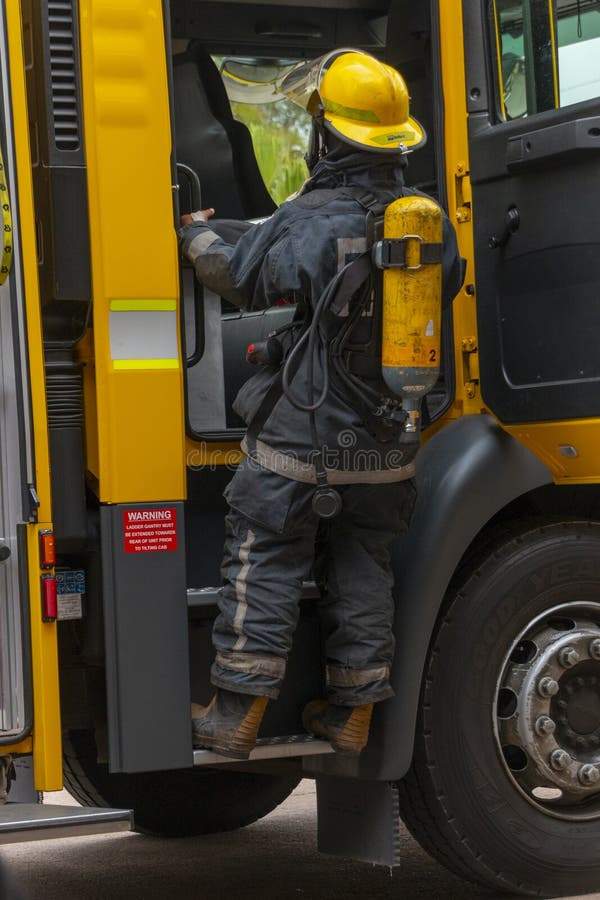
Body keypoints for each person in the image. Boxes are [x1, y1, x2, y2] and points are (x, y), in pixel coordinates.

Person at [179, 49, 463, 760]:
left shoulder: (315, 213)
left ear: (328, 138)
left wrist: (193, 235)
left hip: (304, 441)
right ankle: (351, 715)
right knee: (364, 564)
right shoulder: (428, 224)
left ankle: (235, 714)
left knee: (262, 553)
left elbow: (239, 273)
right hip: (392, 439)